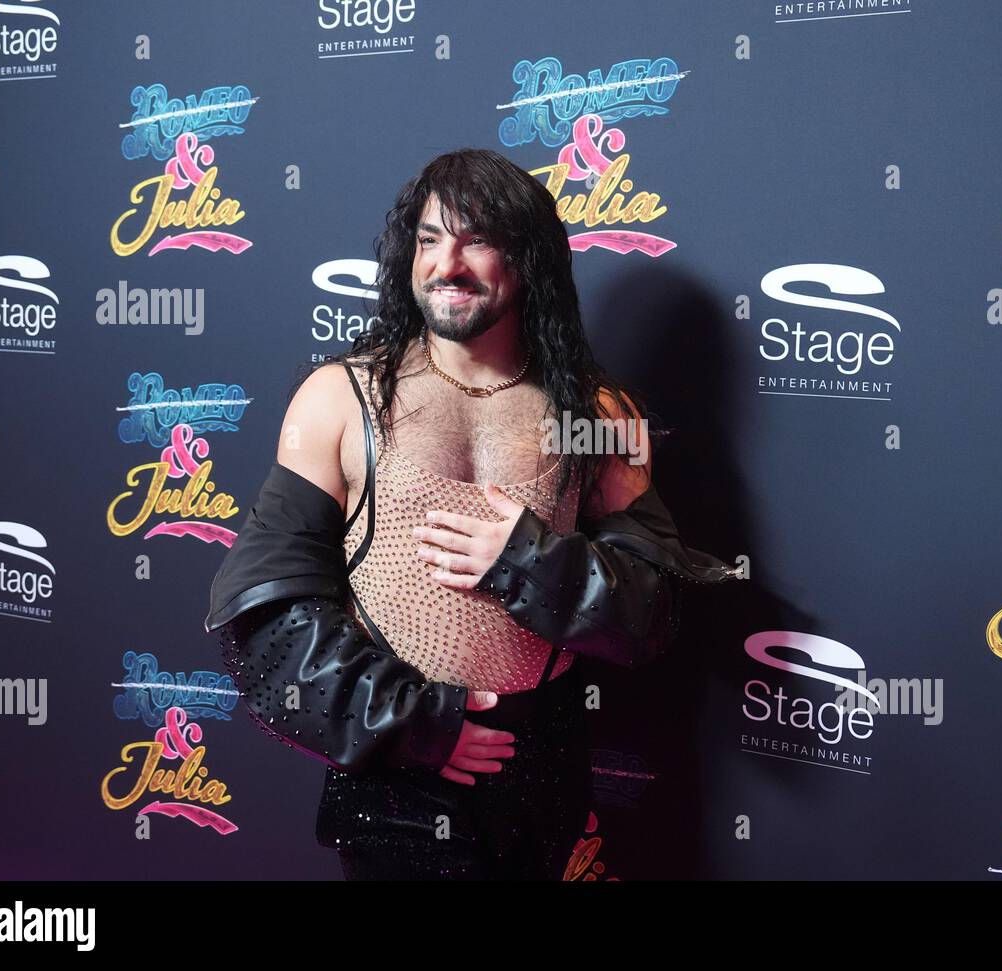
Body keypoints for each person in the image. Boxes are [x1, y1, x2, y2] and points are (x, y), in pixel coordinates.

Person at [204, 148, 739, 880]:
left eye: (476, 239)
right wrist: (414, 722)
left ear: (528, 260)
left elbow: (653, 611)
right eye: (429, 239)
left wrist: (524, 558)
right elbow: (262, 612)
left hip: (540, 767)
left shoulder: (593, 416)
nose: (446, 264)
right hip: (396, 773)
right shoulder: (340, 398)